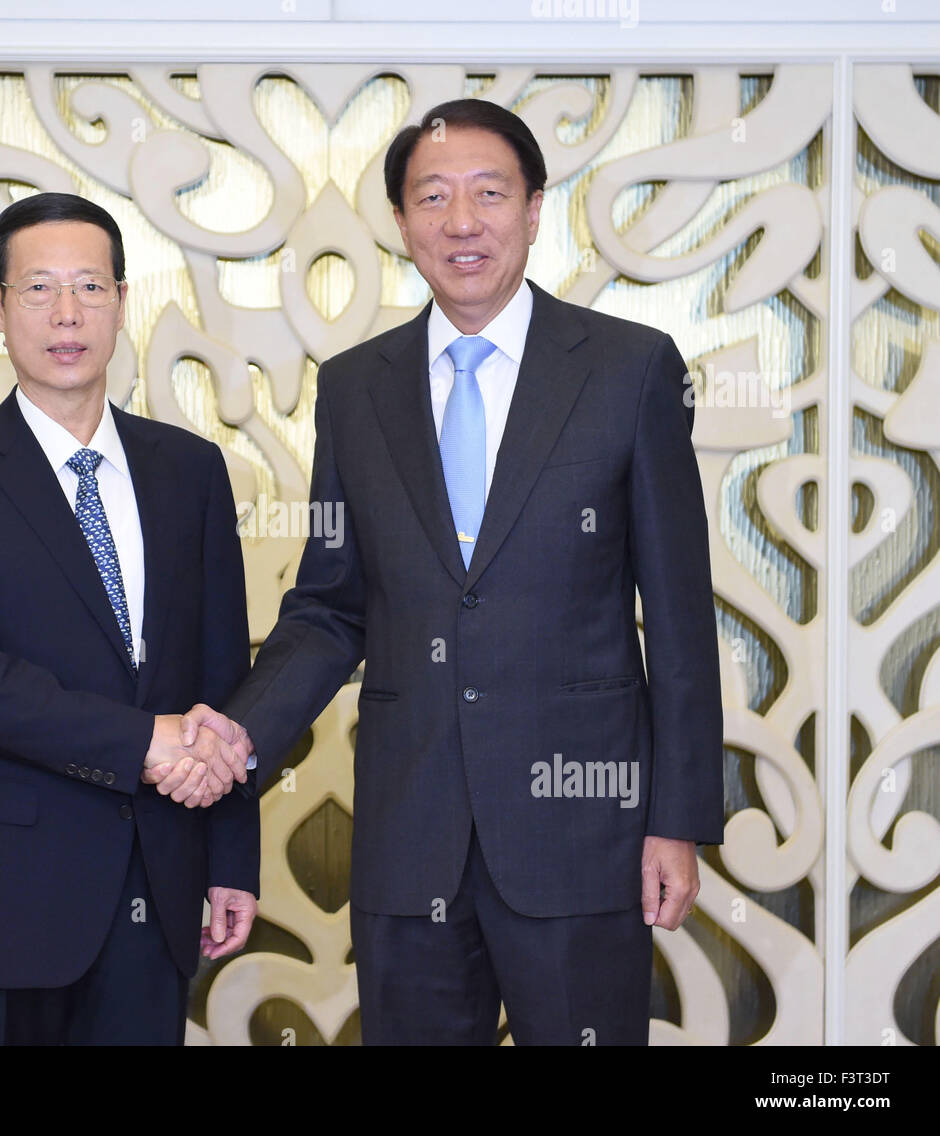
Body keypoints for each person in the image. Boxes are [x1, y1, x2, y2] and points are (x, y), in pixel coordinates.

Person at [182, 99, 725, 1045]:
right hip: (410, 827)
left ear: (534, 208)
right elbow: (329, 606)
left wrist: (676, 818)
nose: (461, 221)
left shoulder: (630, 371)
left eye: (488, 193)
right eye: (433, 197)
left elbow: (678, 616)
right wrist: (234, 737)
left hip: (581, 824)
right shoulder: (355, 388)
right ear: (401, 223)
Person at [0, 192, 258, 1046]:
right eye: (39, 288)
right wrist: (145, 742)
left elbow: (221, 679)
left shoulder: (189, 472)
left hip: (158, 884)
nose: (66, 312)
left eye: (89, 286)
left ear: (122, 301)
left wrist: (232, 859)